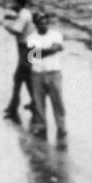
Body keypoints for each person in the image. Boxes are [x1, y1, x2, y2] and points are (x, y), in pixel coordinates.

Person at [28, 9, 67, 145]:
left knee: (57, 101)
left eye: (45, 22)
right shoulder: (32, 37)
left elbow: (57, 47)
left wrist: (42, 52)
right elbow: (32, 56)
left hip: (53, 72)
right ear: (36, 24)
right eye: (40, 23)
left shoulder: (56, 34)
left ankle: (61, 126)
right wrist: (50, 50)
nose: (43, 25)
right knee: (39, 102)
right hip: (37, 73)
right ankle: (41, 126)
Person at [1, 0, 35, 122]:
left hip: (26, 47)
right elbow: (18, 19)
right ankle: (34, 103)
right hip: (33, 46)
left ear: (19, 3)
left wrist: (4, 24)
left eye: (13, 2)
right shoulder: (25, 13)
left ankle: (13, 107)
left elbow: (17, 30)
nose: (11, 4)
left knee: (19, 77)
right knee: (28, 77)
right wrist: (11, 17)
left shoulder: (23, 15)